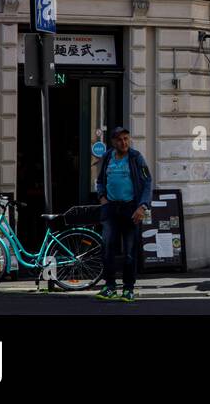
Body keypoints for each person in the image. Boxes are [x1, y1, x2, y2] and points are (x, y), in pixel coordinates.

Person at [95, 126, 153, 302]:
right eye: (120, 139)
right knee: (107, 249)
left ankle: (128, 289)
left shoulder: (136, 158)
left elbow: (147, 182)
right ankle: (109, 286)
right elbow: (99, 182)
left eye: (126, 139)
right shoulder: (107, 158)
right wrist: (102, 198)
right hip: (111, 209)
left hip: (131, 208)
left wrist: (142, 206)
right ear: (113, 142)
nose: (124, 142)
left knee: (129, 251)